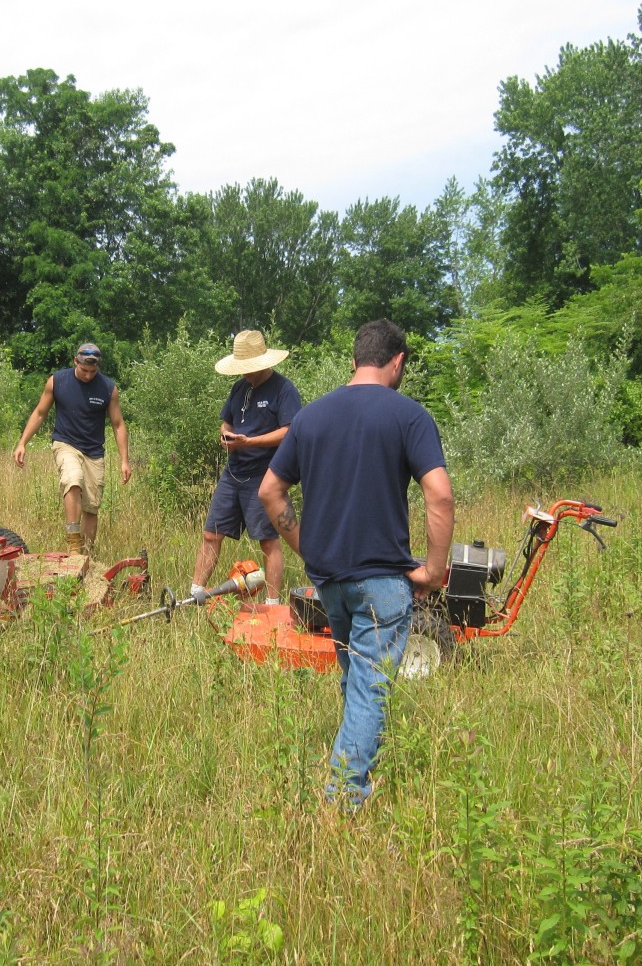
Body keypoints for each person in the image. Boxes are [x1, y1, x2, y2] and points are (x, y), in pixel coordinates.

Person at [259, 319, 454, 805]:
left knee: (353, 675)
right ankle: (344, 798)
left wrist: (309, 547)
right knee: (369, 686)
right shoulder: (410, 416)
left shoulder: (311, 417)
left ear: (353, 361)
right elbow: (440, 497)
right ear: (398, 361)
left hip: (331, 581)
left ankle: (360, 764)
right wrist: (432, 570)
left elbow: (269, 491)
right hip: (383, 580)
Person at [191, 330, 302, 603]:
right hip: (233, 472)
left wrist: (249, 442)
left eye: (248, 368)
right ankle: (195, 594)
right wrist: (227, 436)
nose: (245, 373)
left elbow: (289, 431)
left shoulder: (284, 390)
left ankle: (272, 604)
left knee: (267, 540)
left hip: (264, 476)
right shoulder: (240, 388)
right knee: (211, 533)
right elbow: (226, 421)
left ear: (264, 362)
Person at [13, 342, 131, 555]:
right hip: (65, 443)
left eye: (92, 371)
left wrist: (124, 460)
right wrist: (22, 442)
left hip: (94, 451)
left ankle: (84, 557)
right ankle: (73, 542)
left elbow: (118, 424)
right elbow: (40, 413)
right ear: (75, 362)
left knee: (91, 507)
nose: (88, 375)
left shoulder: (108, 388)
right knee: (72, 479)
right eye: (84, 370)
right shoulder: (57, 381)